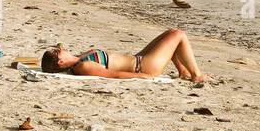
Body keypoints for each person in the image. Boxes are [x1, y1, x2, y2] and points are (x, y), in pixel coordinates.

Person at [40, 28, 207, 82]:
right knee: (178, 34)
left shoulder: (79, 60)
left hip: (139, 57)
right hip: (143, 65)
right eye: (57, 50)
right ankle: (196, 75)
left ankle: (184, 72)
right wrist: (143, 76)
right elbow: (113, 74)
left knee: (170, 33)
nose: (60, 48)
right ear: (61, 62)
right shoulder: (83, 66)